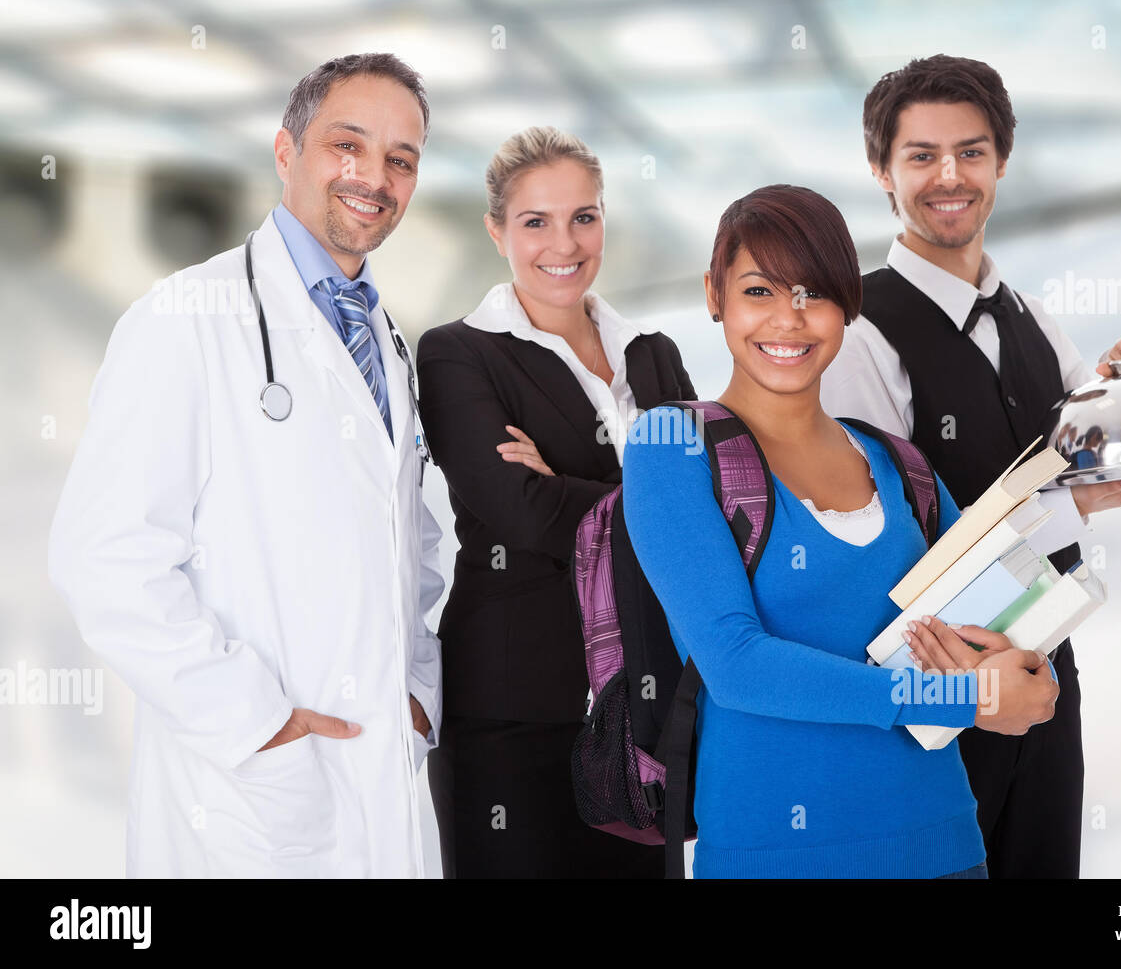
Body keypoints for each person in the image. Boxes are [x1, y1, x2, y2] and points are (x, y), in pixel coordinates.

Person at [47, 53, 444, 877]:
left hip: (379, 783)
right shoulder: (184, 319)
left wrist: (416, 694)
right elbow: (107, 559)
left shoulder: (386, 343)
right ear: (286, 152)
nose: (374, 176)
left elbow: (416, 545)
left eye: (400, 160)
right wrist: (257, 725)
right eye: (348, 144)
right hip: (249, 801)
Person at [820, 54, 1121, 878]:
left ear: (999, 164)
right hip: (937, 692)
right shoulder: (858, 333)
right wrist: (1084, 509)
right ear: (881, 170)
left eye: (972, 151)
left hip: (1046, 671)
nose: (948, 176)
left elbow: (1078, 460)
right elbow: (892, 538)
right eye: (921, 154)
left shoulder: (1031, 317)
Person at [621, 183, 1060, 879]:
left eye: (813, 293)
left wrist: (1028, 674)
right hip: (774, 858)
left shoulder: (900, 462)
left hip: (945, 849)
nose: (788, 321)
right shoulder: (672, 446)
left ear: (848, 304)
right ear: (715, 295)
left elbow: (999, 611)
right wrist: (967, 697)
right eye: (759, 291)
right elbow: (736, 664)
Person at [416, 126, 696, 878]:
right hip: (514, 711)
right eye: (535, 221)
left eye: (584, 215)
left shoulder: (653, 353)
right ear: (496, 231)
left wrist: (566, 486)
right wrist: (650, 500)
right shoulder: (458, 353)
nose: (563, 242)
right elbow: (521, 513)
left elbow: (703, 512)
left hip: (646, 708)